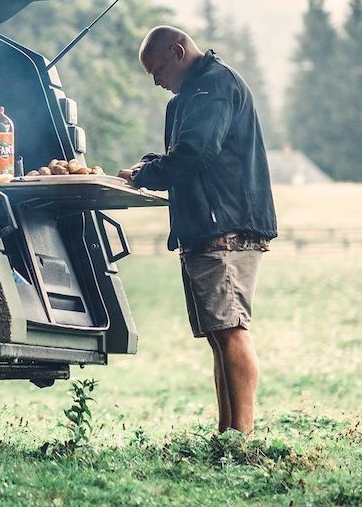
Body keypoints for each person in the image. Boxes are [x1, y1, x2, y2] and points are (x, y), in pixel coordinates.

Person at [118, 25, 275, 436]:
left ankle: (241, 438)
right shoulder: (193, 94)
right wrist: (147, 166)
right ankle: (227, 433)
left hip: (225, 228)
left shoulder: (213, 87)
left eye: (157, 69)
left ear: (177, 51)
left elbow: (194, 153)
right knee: (219, 336)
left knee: (231, 331)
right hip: (207, 227)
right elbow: (186, 152)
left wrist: (146, 175)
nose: (156, 81)